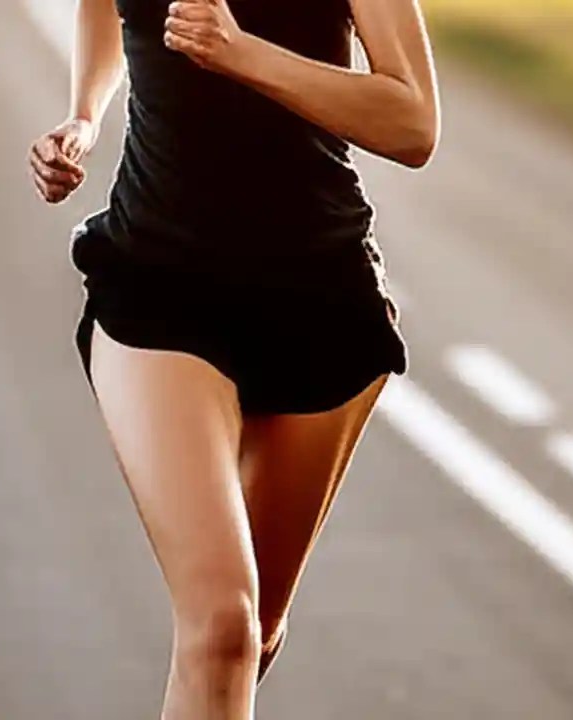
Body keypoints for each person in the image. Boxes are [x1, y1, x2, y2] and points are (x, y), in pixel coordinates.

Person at [29, 0, 438, 716]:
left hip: (319, 297)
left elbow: (413, 122)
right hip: (159, 283)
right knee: (221, 629)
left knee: (255, 635)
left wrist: (242, 53)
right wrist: (84, 115)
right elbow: (105, 10)